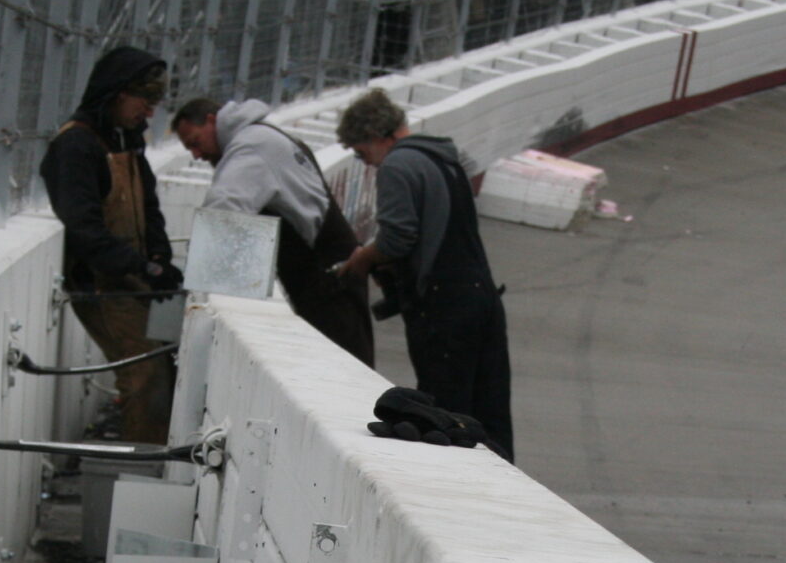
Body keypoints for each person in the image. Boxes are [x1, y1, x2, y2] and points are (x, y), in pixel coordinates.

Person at [333, 89, 514, 461]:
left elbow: (398, 238)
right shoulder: (446, 159)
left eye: (362, 153)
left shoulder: (398, 166)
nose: (367, 164)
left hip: (444, 310)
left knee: (444, 418)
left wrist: (363, 259)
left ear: (375, 136)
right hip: (483, 300)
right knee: (490, 413)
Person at [39, 47, 182, 443]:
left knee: (161, 374)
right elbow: (84, 229)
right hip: (101, 286)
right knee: (145, 379)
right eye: (144, 101)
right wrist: (143, 267)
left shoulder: (125, 138)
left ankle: (149, 466)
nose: (149, 113)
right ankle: (142, 470)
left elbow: (149, 206)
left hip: (133, 279)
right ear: (119, 94)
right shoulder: (76, 147)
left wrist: (158, 257)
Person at [172, 97, 375, 366]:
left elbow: (223, 211)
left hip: (328, 279)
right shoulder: (264, 135)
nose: (197, 155)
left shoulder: (251, 147)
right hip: (331, 273)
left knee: (344, 368)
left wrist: (195, 287)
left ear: (212, 120)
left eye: (195, 143)